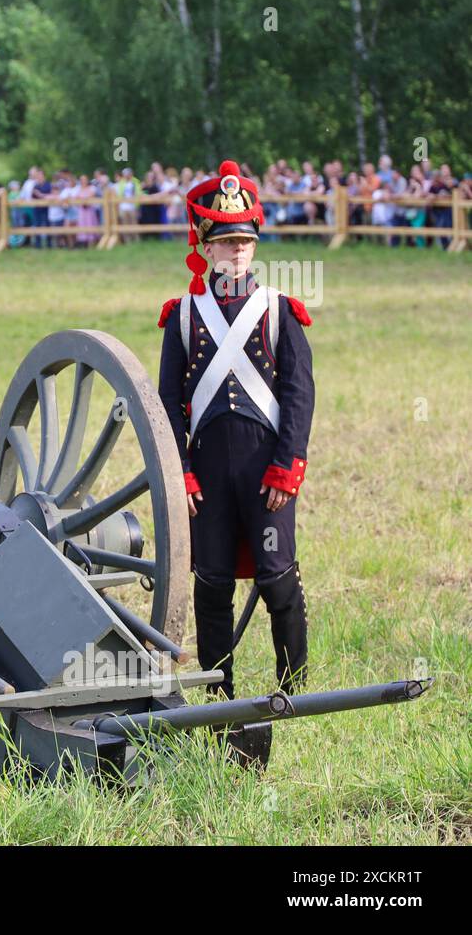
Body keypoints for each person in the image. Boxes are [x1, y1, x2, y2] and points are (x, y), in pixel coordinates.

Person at [157, 159, 315, 701]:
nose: (237, 251)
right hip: (206, 472)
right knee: (213, 582)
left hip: (265, 467)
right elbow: (166, 404)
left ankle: (292, 683)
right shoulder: (181, 316)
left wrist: (288, 466)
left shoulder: (278, 310)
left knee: (276, 577)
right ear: (204, 246)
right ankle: (217, 690)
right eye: (225, 242)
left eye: (245, 241)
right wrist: (181, 474)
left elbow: (298, 393)